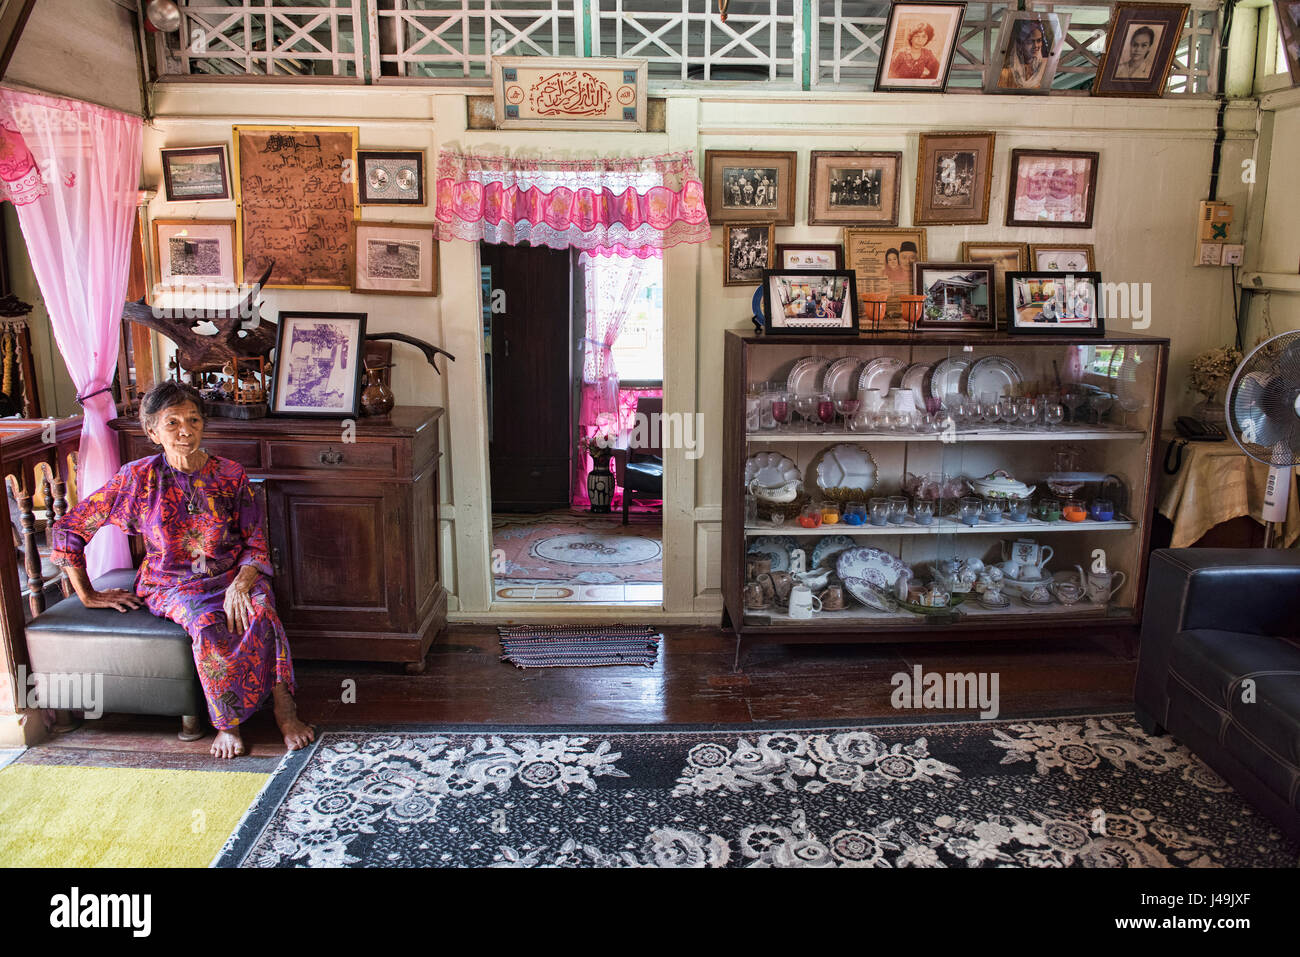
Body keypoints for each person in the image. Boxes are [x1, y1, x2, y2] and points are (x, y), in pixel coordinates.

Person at [50, 381, 315, 760]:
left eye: (192, 420)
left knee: (261, 612)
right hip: (171, 583)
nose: (185, 431)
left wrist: (242, 584)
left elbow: (256, 540)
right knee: (207, 623)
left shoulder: (230, 474)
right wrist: (87, 594)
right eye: (171, 422)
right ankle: (228, 724)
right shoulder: (137, 478)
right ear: (152, 431)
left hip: (231, 575)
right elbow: (70, 527)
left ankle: (285, 711)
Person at [999, 19, 1052, 89]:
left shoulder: (1047, 67)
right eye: (1030, 42)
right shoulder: (1007, 72)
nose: (1036, 46)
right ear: (1020, 44)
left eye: (1039, 40)